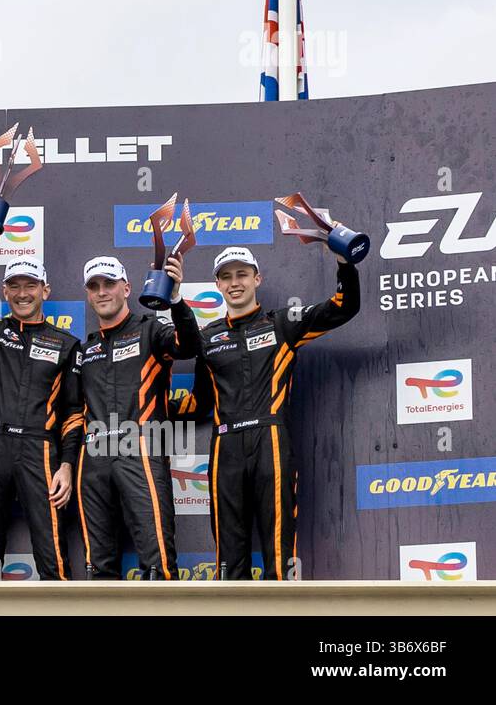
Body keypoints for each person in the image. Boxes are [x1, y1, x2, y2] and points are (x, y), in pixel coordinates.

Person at [185, 245, 360, 581]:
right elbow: (198, 405)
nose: (234, 283)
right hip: (226, 446)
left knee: (279, 553)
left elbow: (345, 306)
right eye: (226, 277)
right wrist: (147, 410)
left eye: (242, 274)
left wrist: (344, 261)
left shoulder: (283, 323)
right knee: (228, 559)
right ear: (217, 285)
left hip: (271, 441)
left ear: (257, 279)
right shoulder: (206, 339)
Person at [0, 185, 84, 581]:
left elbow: (74, 414)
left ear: (45, 290)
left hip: (40, 450)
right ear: (5, 291)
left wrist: (66, 465)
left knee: (53, 556)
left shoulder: (67, 345)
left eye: (31, 285)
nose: (23, 293)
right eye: (14, 285)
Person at [73, 252, 198, 580]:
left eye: (109, 284)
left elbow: (189, 346)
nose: (102, 292)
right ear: (87, 294)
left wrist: (176, 299)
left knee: (156, 563)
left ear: (126, 288)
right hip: (95, 454)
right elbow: (67, 407)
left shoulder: (151, 330)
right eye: (94, 286)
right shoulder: (85, 350)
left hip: (142, 446)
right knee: (98, 567)